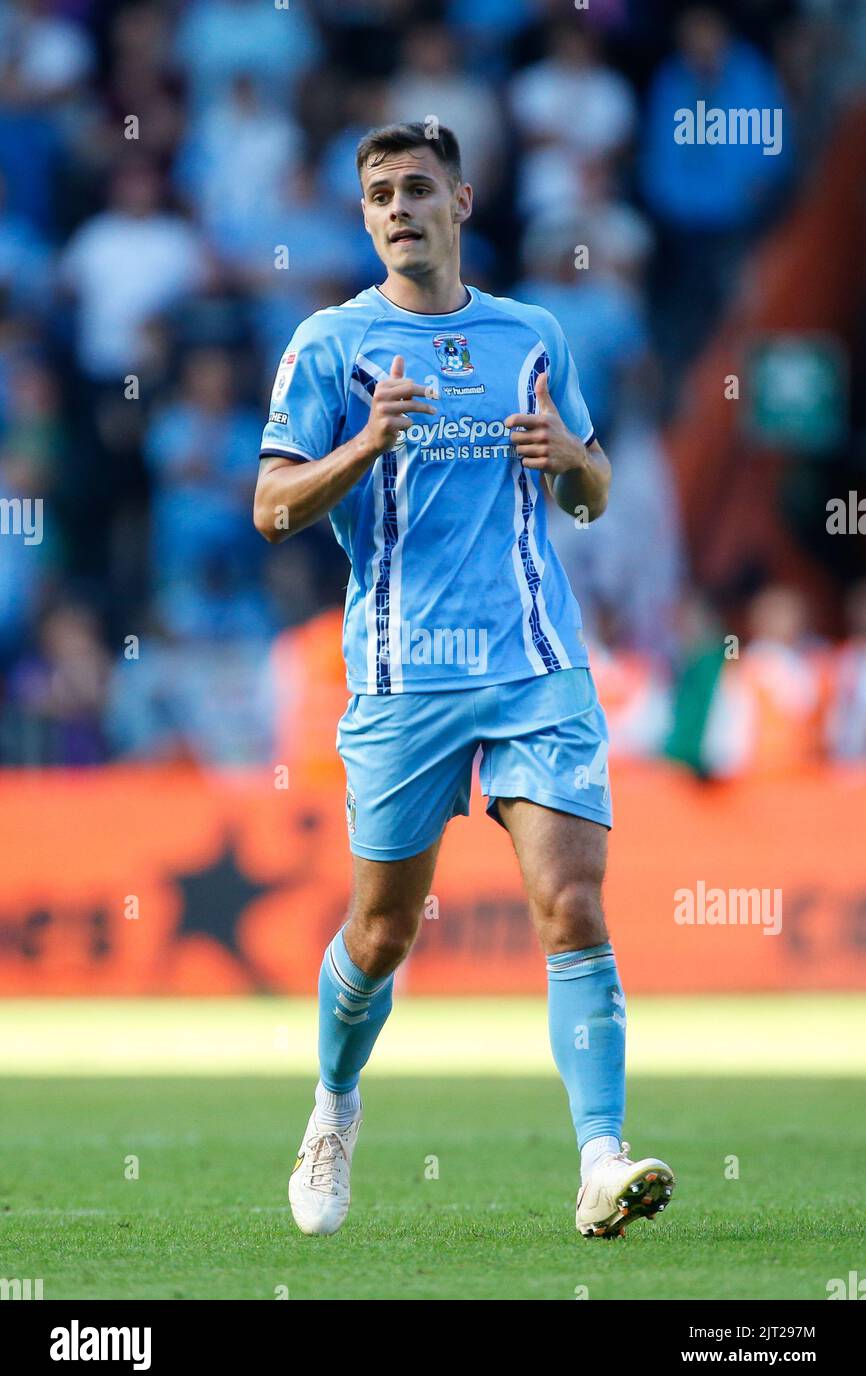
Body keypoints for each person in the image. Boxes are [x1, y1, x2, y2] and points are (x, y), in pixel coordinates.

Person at [254, 123, 675, 1240]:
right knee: (383, 930)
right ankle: (333, 1105)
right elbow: (271, 505)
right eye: (380, 194)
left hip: (535, 664)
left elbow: (588, 495)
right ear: (363, 219)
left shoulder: (532, 335)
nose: (399, 207)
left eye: (417, 189)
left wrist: (571, 460)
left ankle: (599, 1160)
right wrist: (364, 447)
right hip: (400, 678)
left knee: (571, 900)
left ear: (462, 202)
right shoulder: (330, 345)